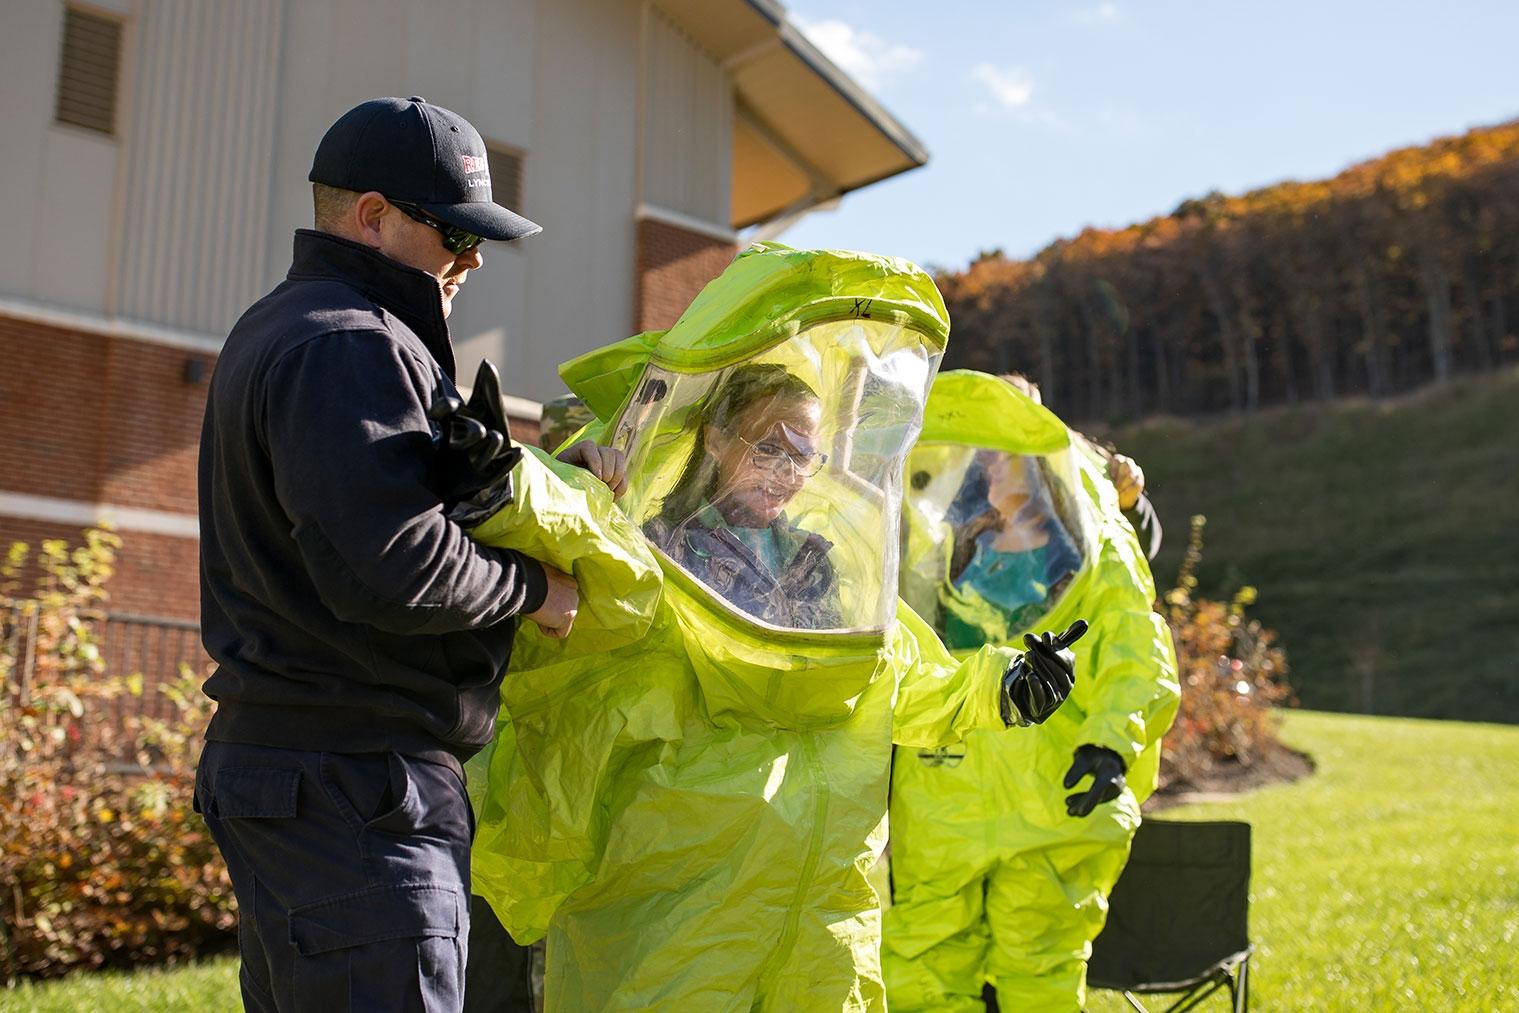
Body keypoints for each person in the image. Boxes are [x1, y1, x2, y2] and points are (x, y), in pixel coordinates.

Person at [467, 243, 1083, 1011]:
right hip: (680, 905)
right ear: (715, 439)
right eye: (772, 444)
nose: (790, 470)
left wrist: (999, 687)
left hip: (824, 908)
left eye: (806, 453)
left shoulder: (819, 569)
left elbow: (895, 679)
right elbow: (577, 561)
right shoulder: (655, 550)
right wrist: (522, 485)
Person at [193, 96, 620, 1012]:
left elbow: (389, 499)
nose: (469, 262)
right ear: (373, 215)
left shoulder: (290, 326)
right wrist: (534, 587)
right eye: (451, 234)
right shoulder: (352, 343)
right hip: (357, 784)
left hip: (309, 776)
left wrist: (545, 482)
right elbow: (391, 562)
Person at [884, 369, 1181, 1012]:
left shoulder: (1093, 545)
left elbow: (1135, 644)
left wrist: (1110, 743)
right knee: (923, 973)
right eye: (984, 452)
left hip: (1052, 793)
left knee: (1039, 974)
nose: (994, 465)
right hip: (944, 795)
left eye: (1008, 448)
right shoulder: (936, 548)